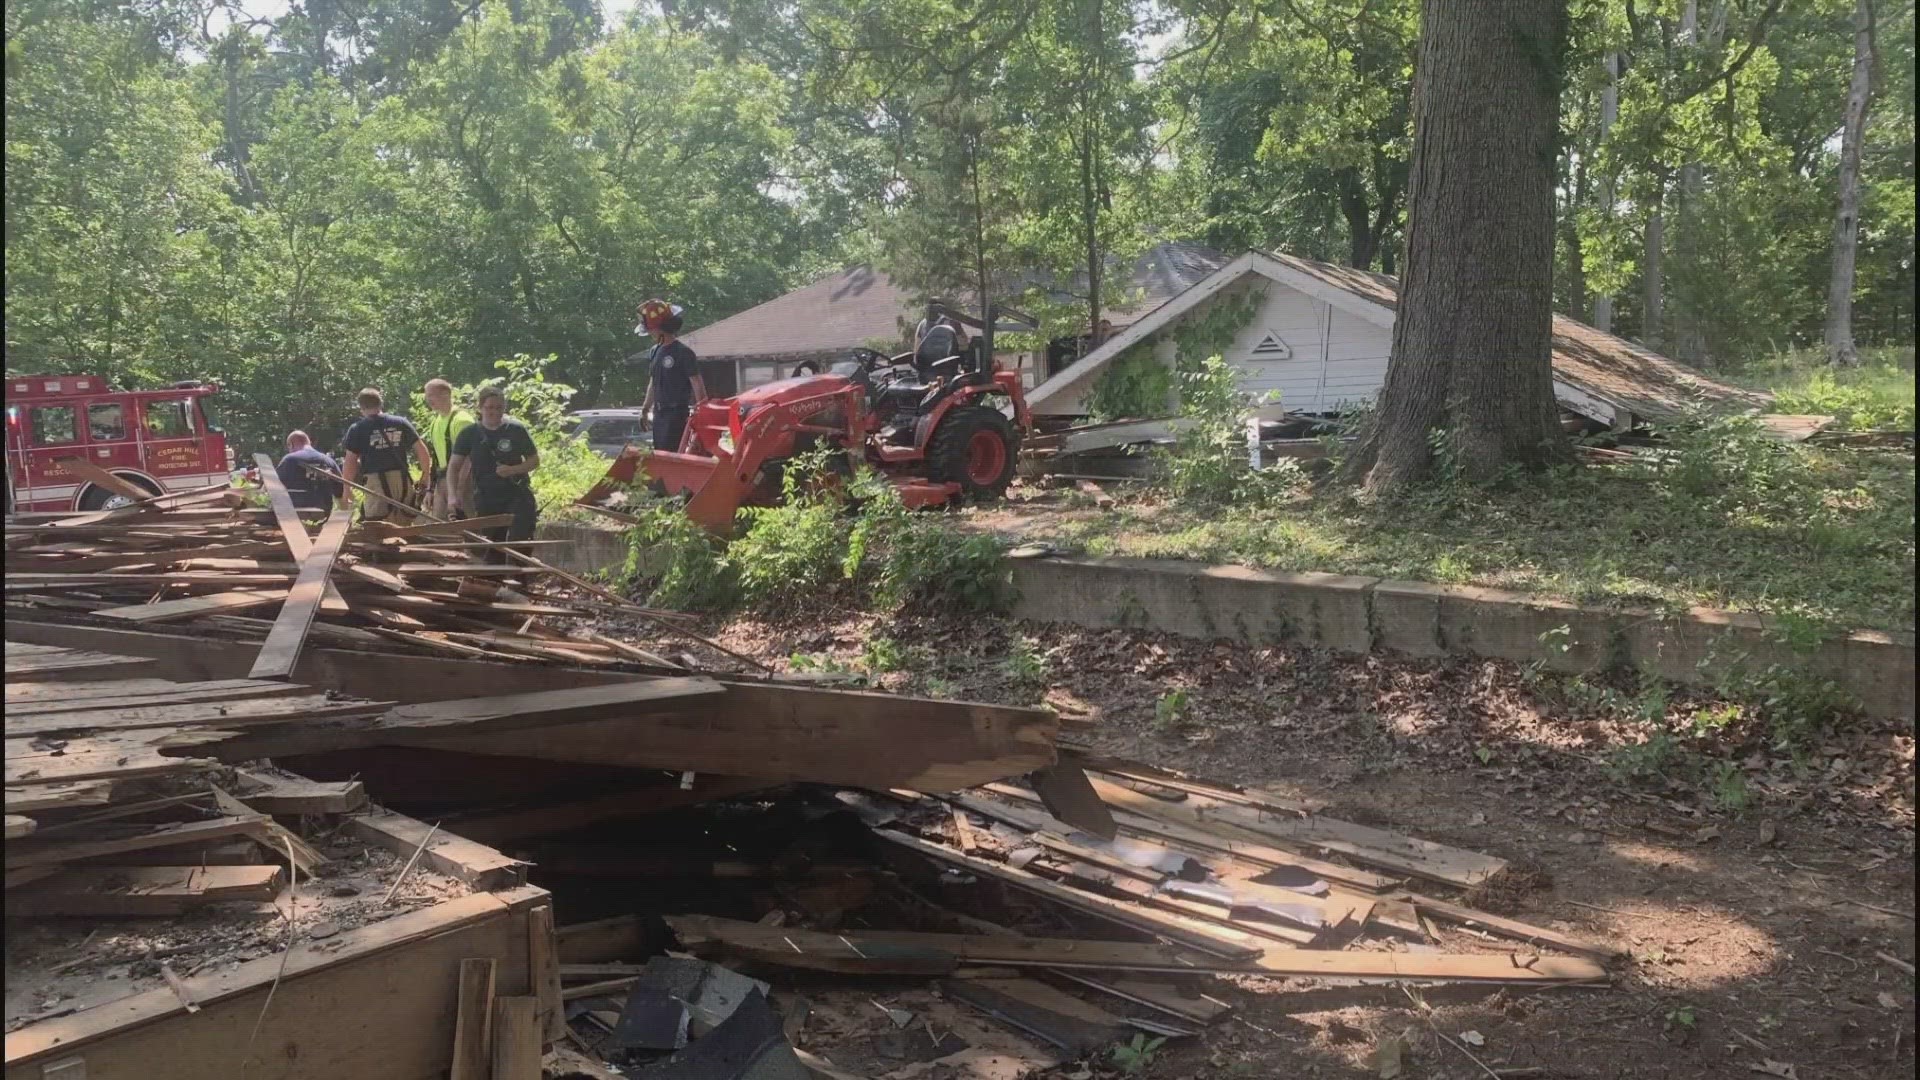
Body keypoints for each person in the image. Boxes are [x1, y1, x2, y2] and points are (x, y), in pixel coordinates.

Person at [449, 386, 540, 564]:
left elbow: (534, 460)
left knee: (519, 541)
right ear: (480, 408)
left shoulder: (516, 429)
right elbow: (454, 467)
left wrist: (513, 470)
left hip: (517, 494)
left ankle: (518, 583)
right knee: (490, 546)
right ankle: (494, 585)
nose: (494, 412)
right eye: (490, 407)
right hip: (486, 497)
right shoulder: (469, 434)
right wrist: (452, 496)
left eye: (499, 407)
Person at [340, 387, 432, 524]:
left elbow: (350, 462)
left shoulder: (357, 429)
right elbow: (422, 450)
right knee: (406, 523)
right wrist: (425, 476)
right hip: (402, 481)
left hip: (375, 483)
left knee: (376, 526)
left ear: (361, 407)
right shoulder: (400, 423)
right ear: (380, 403)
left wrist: (346, 490)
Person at [637, 298, 705, 452]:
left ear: (659, 329)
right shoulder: (655, 351)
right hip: (659, 414)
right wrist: (645, 408)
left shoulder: (684, 353)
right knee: (660, 454)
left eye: (650, 330)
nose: (649, 333)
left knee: (672, 454)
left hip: (677, 416)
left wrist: (702, 414)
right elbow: (653, 382)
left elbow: (698, 385)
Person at [422, 378, 476, 521]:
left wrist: (458, 490)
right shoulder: (435, 422)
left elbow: (468, 459)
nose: (428, 400)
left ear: (445, 394)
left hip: (464, 482)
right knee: (438, 529)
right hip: (442, 482)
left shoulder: (462, 420)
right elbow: (436, 459)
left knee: (468, 525)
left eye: (431, 395)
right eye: (427, 396)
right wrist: (430, 489)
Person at [276, 431, 340, 513]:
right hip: (324, 513)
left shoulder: (289, 459)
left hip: (294, 514)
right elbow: (340, 491)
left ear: (291, 445)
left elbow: (274, 486)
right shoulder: (329, 461)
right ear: (309, 443)